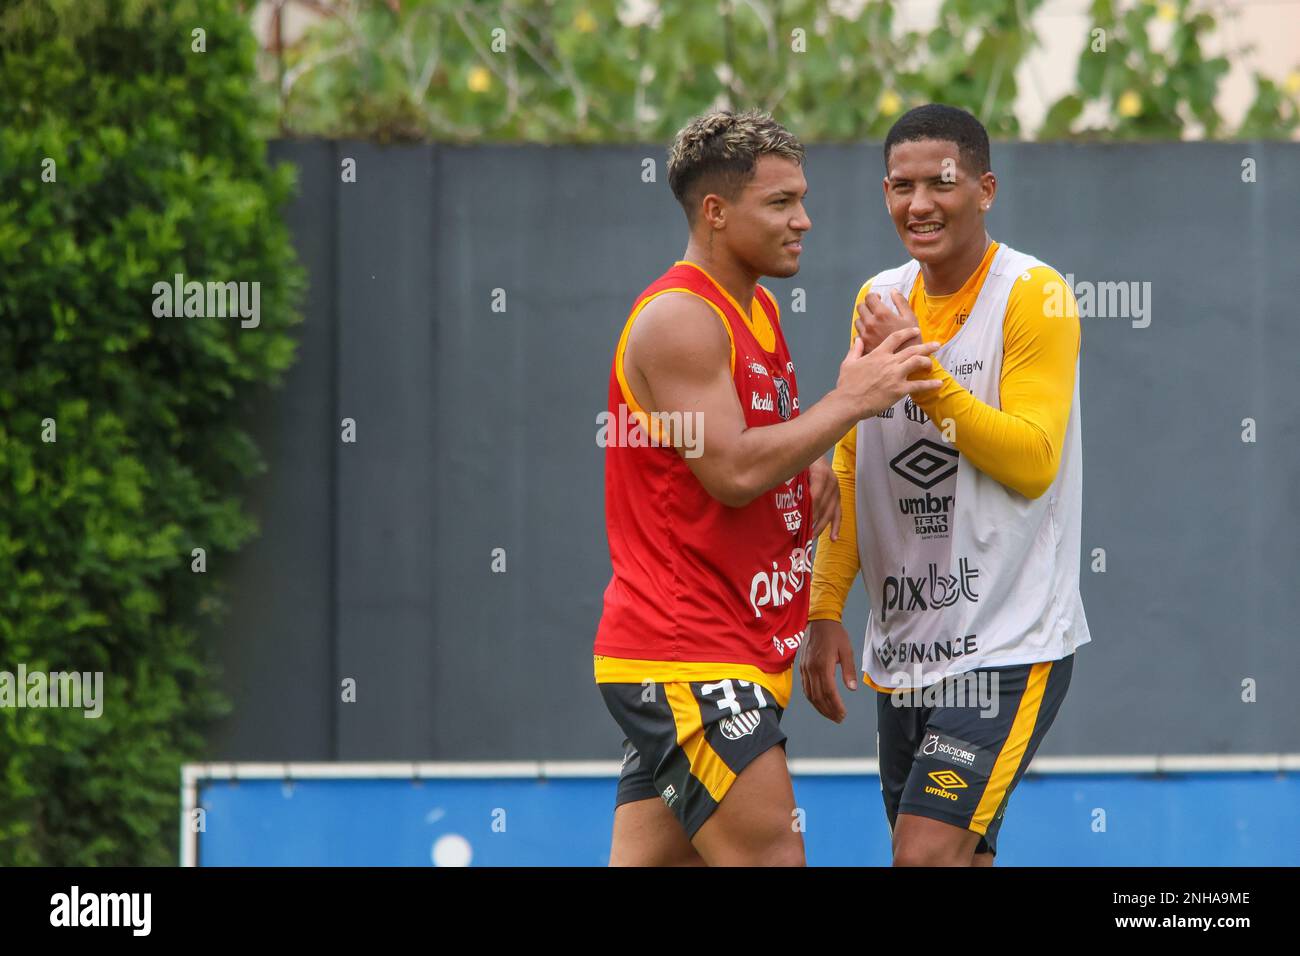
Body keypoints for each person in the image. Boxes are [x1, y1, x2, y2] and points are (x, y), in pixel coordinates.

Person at [593, 109, 943, 866]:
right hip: (688, 657)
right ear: (716, 213)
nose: (805, 220)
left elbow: (757, 449)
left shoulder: (757, 306)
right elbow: (732, 470)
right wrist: (851, 400)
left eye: (803, 198)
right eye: (781, 203)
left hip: (733, 655)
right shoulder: (679, 319)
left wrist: (814, 459)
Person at [802, 104, 1090, 867]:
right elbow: (853, 465)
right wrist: (826, 606)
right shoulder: (878, 298)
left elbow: (1033, 460)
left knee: (920, 855)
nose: (919, 203)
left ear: (985, 188)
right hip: (903, 648)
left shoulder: (1036, 294)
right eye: (901, 186)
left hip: (1007, 639)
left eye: (942, 183)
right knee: (955, 859)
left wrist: (929, 384)